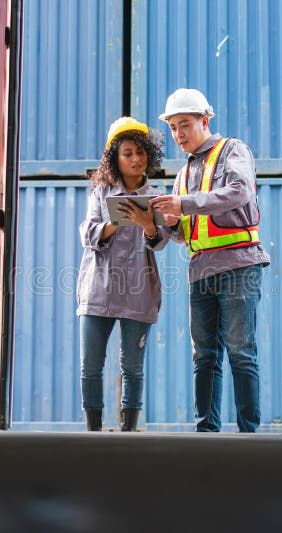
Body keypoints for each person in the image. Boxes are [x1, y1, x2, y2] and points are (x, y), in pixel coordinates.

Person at [150, 89, 270, 433]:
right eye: (173, 128)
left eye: (184, 125)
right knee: (204, 355)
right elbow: (185, 234)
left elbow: (240, 191)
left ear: (205, 121)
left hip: (239, 264)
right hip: (200, 269)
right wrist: (171, 223)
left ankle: (249, 433)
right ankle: (206, 432)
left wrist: (183, 205)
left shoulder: (233, 150)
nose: (178, 135)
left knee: (240, 350)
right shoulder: (183, 174)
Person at [76, 117, 168, 432]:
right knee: (90, 367)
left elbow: (161, 241)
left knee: (132, 368)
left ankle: (129, 433)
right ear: (115, 157)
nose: (135, 159)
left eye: (141, 152)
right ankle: (93, 431)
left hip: (139, 291)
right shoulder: (101, 193)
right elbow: (87, 233)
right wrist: (117, 220)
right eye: (127, 153)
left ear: (150, 156)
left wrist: (147, 224)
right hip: (99, 290)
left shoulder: (156, 197)